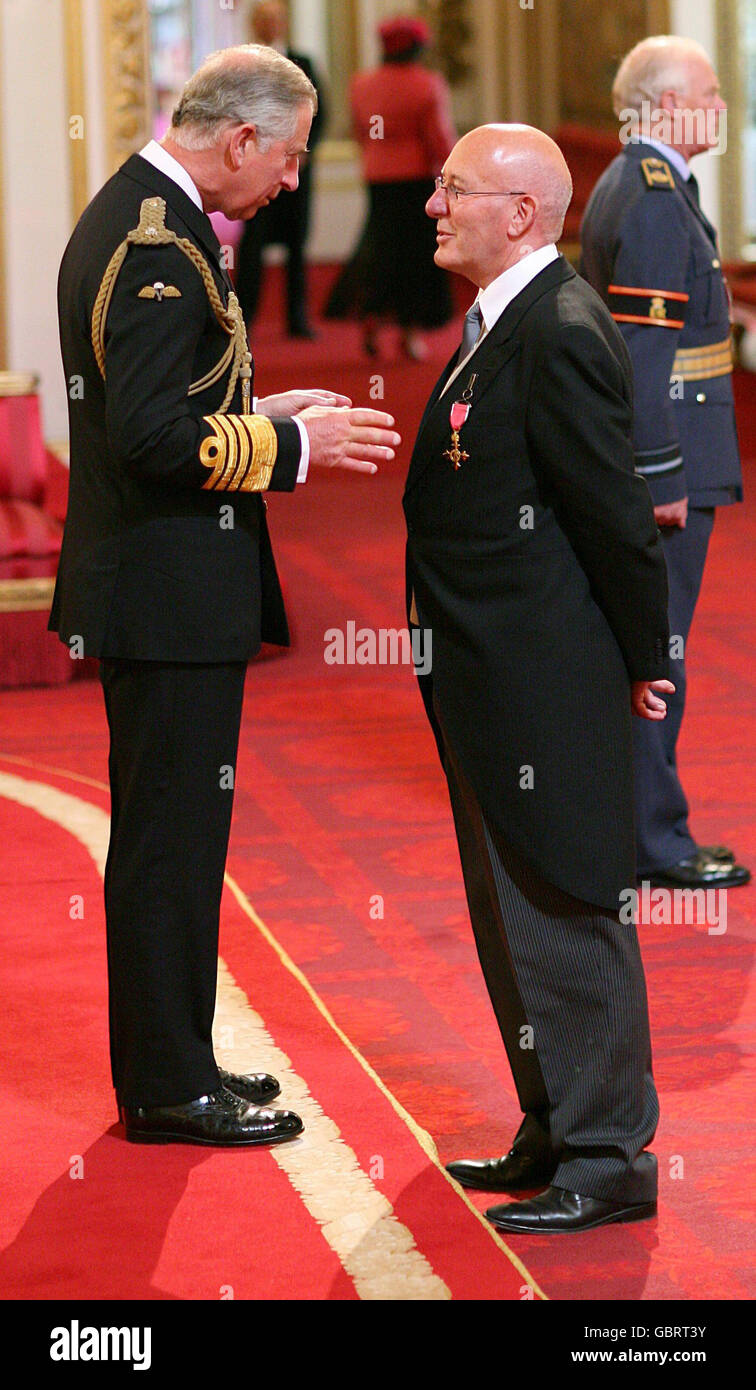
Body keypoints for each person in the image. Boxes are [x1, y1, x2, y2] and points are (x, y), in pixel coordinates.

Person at [50, 44, 400, 1146]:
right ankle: (163, 1086)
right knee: (169, 843)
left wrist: (262, 399)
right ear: (241, 138)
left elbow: (171, 389)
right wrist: (290, 445)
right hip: (163, 589)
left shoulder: (153, 209)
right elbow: (153, 435)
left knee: (184, 839)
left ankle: (182, 1056)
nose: (293, 182)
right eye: (290, 159)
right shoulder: (157, 240)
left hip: (168, 584)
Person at [405, 123, 673, 1234]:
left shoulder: (558, 327)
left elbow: (613, 516)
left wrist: (647, 656)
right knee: (509, 913)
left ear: (519, 213)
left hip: (543, 678)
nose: (430, 204)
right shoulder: (499, 320)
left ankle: (609, 1155)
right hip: (484, 673)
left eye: (452, 189)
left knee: (565, 905)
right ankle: (554, 1121)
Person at [580, 36, 749, 891]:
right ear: (662, 105)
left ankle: (636, 826)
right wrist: (660, 477)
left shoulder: (652, 186)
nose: (721, 107)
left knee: (651, 646)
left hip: (676, 451)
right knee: (659, 651)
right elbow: (645, 356)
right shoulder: (648, 199)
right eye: (709, 94)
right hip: (670, 460)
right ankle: (656, 841)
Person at [325, 14, 456, 360]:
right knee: (414, 256)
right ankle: (409, 333)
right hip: (414, 180)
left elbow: (359, 132)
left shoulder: (361, 84)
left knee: (378, 249)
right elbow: (439, 139)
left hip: (377, 177)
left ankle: (371, 318)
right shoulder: (427, 84)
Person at [236, 0, 326, 339]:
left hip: (296, 174)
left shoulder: (303, 64)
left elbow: (321, 112)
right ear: (253, 25)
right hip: (255, 174)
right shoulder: (241, 67)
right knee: (252, 246)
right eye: (262, 20)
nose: (269, 25)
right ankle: (242, 321)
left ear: (283, 23)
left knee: (296, 246)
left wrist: (299, 154)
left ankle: (297, 320)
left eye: (274, 19)